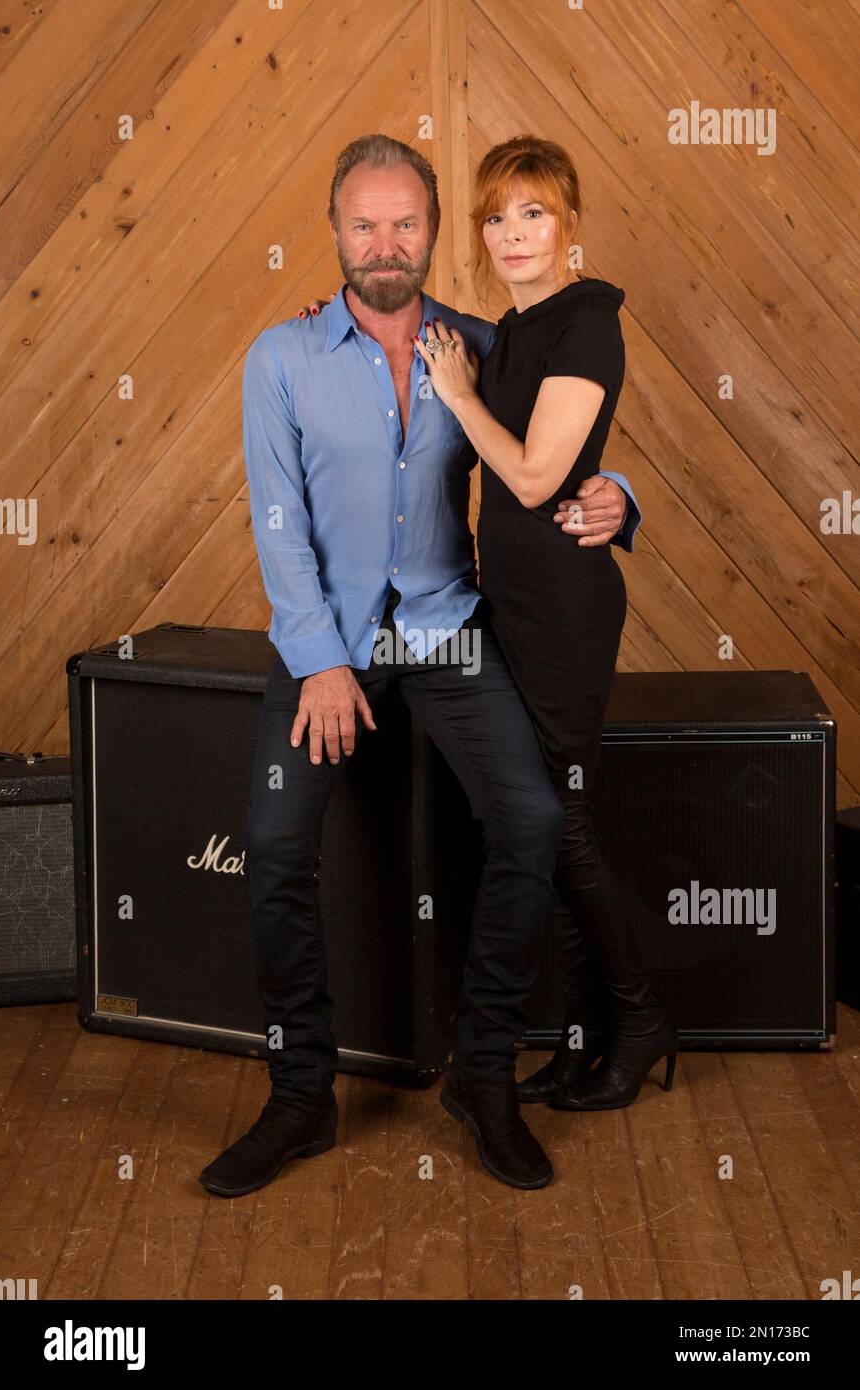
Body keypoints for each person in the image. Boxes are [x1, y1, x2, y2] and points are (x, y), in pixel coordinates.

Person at [198, 134, 639, 1202]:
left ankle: (481, 1077)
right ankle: (300, 1092)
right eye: (364, 223)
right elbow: (275, 522)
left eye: (405, 222)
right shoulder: (279, 359)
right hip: (330, 646)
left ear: (434, 232)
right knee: (269, 842)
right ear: (336, 232)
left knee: (532, 821)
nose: (384, 241)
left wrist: (618, 493)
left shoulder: (479, 343)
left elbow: (554, 446)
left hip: (445, 633)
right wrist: (320, 662)